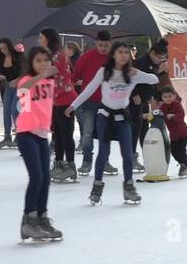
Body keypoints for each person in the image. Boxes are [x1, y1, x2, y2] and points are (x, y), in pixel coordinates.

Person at [66, 41, 159, 205]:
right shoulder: (104, 72)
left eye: (126, 52)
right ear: (113, 55)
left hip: (122, 118)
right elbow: (89, 89)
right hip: (105, 117)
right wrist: (73, 105)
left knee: (128, 154)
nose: (123, 55)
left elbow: (154, 79)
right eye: (120, 52)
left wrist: (140, 73)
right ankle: (97, 188)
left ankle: (129, 188)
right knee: (103, 152)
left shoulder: (132, 73)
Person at [14, 46, 63, 242]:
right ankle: (28, 221)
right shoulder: (27, 80)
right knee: (36, 177)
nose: (43, 64)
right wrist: (39, 76)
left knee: (45, 179)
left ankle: (42, 218)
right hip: (26, 133)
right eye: (38, 60)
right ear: (31, 64)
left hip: (43, 134)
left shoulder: (50, 82)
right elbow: (22, 92)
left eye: (46, 60)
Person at [72, 31, 116, 176]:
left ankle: (104, 161)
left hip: (108, 103)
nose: (103, 48)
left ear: (110, 44)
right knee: (87, 133)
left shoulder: (115, 58)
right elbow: (75, 75)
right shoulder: (86, 57)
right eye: (100, 45)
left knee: (106, 134)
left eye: (106, 45)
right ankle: (87, 161)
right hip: (89, 102)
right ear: (96, 43)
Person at [38, 27, 78, 183]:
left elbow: (50, 74)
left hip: (66, 100)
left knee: (66, 134)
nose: (39, 40)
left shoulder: (58, 56)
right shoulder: (49, 56)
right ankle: (59, 163)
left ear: (48, 39)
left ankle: (71, 166)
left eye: (41, 38)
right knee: (57, 134)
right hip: (55, 101)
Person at [0, 38, 22, 148]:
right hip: (8, 86)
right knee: (6, 110)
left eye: (5, 48)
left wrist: (17, 80)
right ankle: (7, 137)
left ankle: (19, 136)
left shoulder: (18, 56)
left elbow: (28, 71)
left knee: (14, 109)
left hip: (20, 86)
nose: (3, 51)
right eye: (1, 49)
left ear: (9, 46)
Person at [156, 85, 187, 178]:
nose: (168, 99)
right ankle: (182, 163)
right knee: (174, 151)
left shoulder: (177, 105)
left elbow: (181, 115)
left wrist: (173, 116)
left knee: (181, 150)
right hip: (173, 134)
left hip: (182, 133)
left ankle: (184, 164)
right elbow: (160, 115)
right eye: (165, 97)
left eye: (170, 96)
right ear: (162, 98)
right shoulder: (163, 107)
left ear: (174, 96)